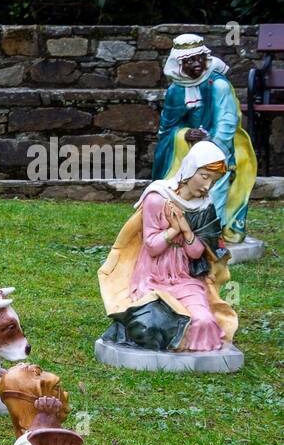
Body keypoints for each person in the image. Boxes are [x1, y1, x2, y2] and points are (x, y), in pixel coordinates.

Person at [99, 141, 238, 352]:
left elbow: (196, 253)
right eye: (204, 176)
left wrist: (187, 231)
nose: (207, 186)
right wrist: (173, 231)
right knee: (156, 323)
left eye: (214, 181)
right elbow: (153, 246)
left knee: (203, 321)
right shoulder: (158, 197)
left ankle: (191, 350)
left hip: (184, 277)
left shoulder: (204, 206)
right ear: (191, 168)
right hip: (153, 277)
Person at [153, 33, 256, 245]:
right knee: (178, 183)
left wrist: (211, 151)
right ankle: (177, 227)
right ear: (180, 62)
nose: (196, 64)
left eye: (199, 58)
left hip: (220, 147)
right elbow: (167, 128)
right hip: (186, 149)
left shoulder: (218, 85)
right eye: (190, 60)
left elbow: (226, 123)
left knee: (213, 179)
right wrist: (184, 135)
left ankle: (210, 232)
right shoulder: (176, 90)